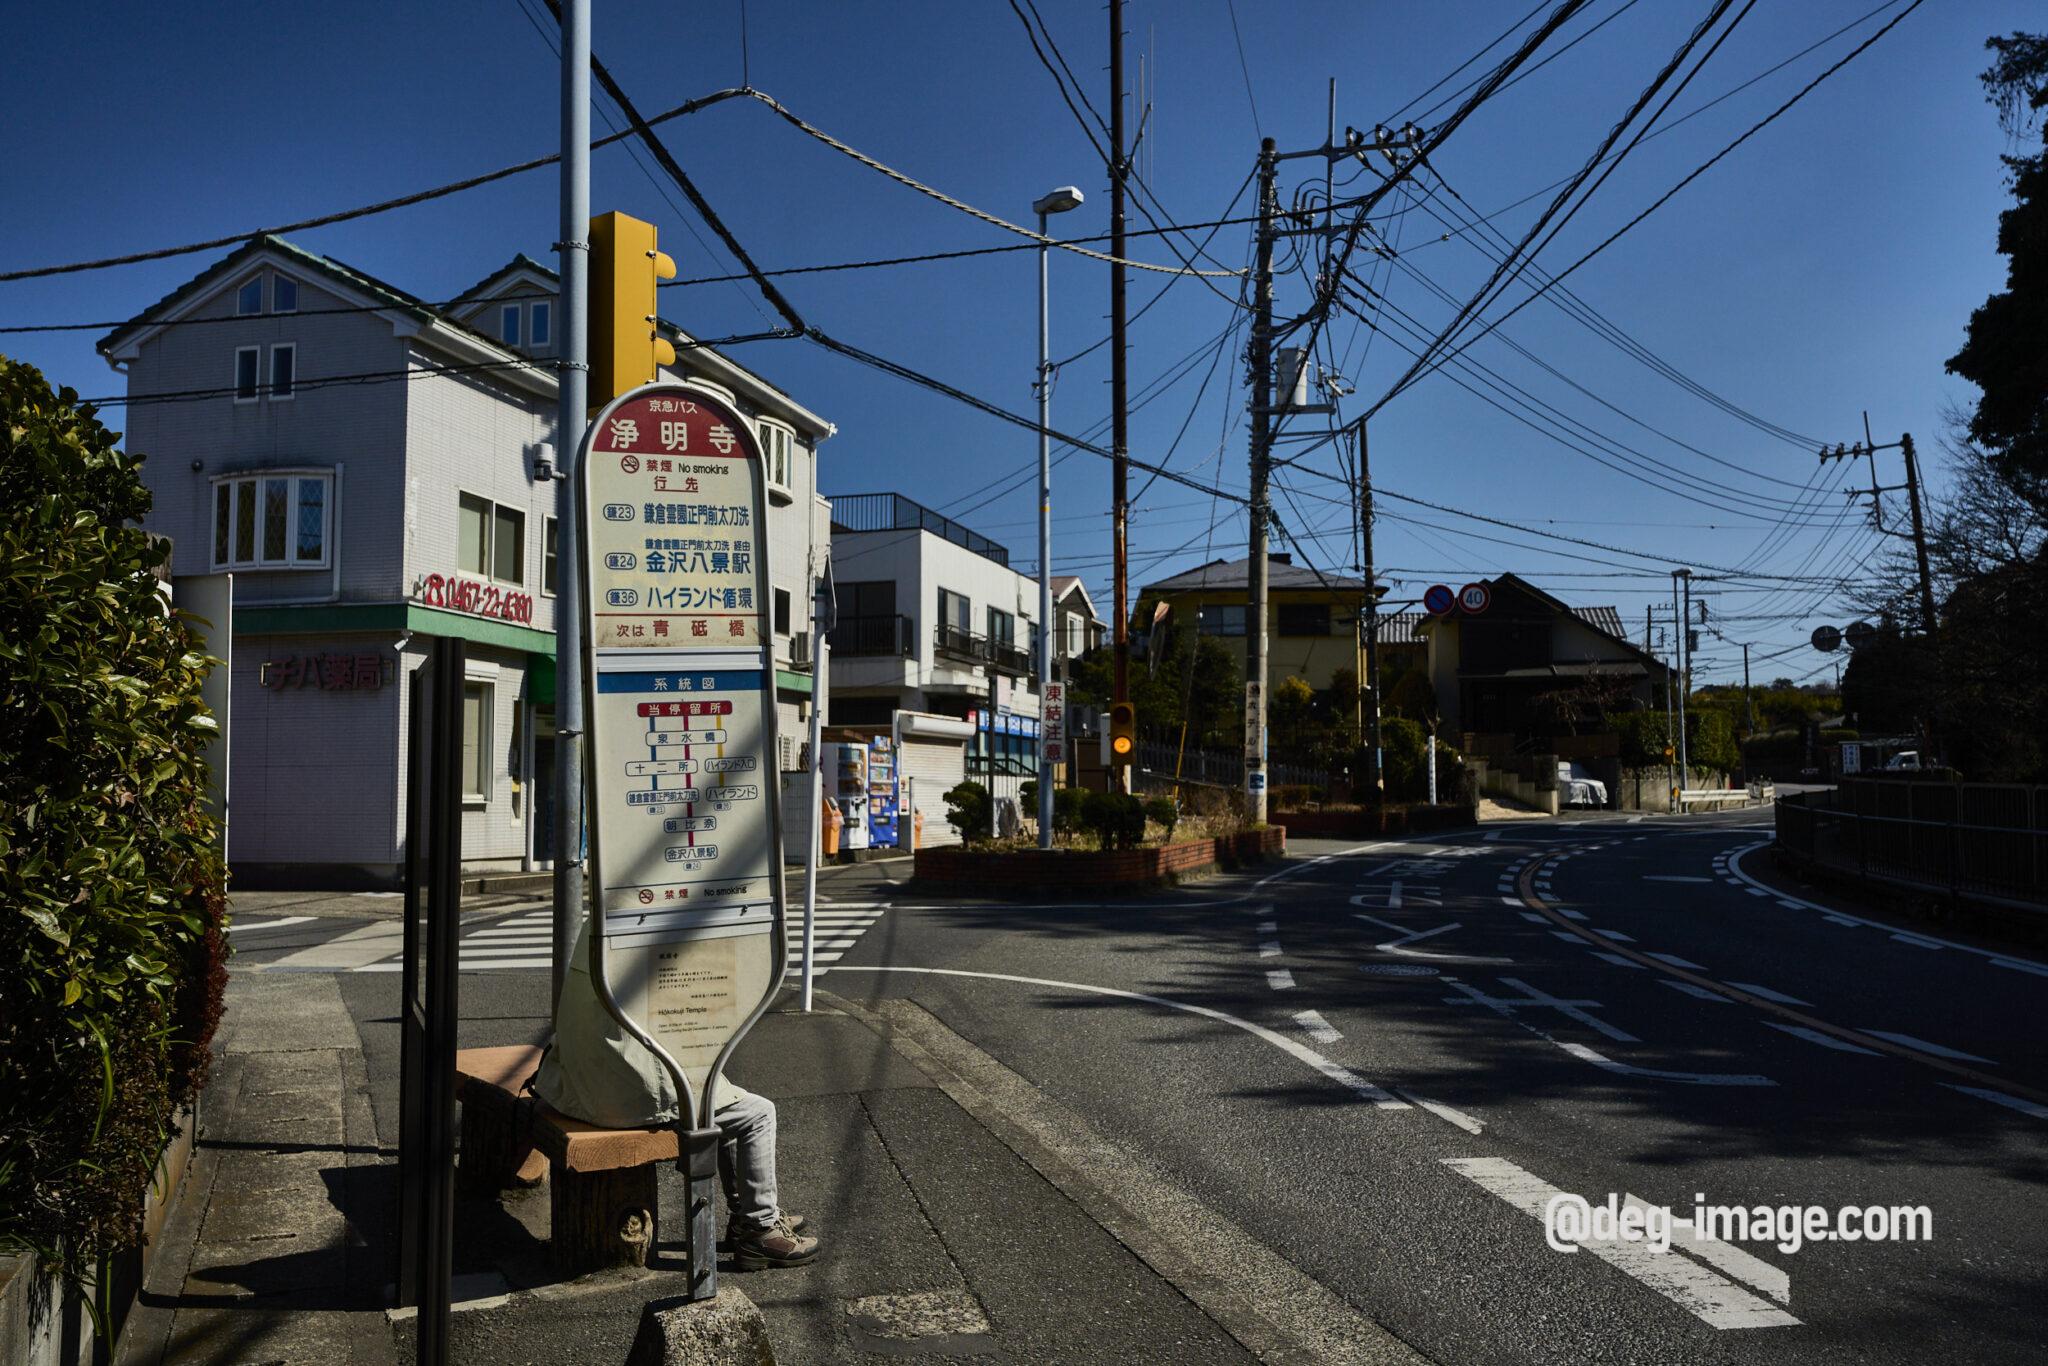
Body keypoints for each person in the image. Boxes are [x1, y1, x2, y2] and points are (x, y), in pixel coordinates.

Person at [716, 1080, 819, 1269]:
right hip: (660, 1101)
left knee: (728, 1105)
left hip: (655, 1095)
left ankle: (742, 1215)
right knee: (760, 1112)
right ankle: (760, 1228)